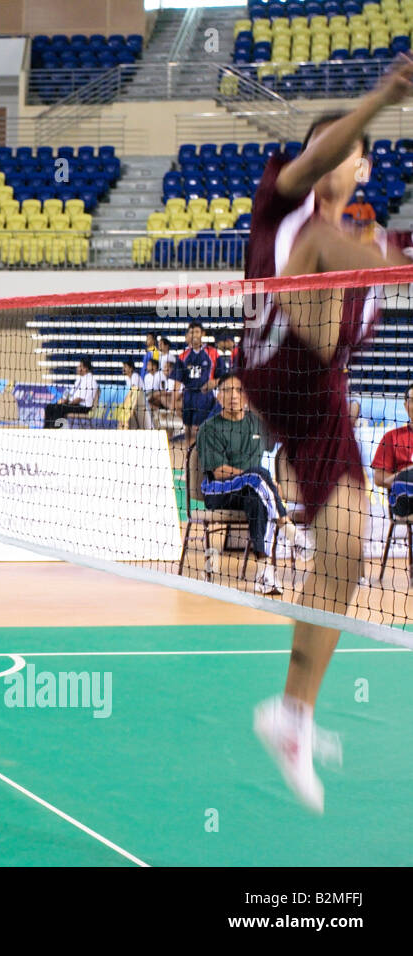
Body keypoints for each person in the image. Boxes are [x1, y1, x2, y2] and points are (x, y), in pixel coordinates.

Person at [242, 62, 413, 813]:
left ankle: (293, 715)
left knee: (347, 545)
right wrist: (381, 96)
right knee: (325, 240)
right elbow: (311, 171)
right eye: (318, 145)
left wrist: (385, 263)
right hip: (272, 367)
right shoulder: (285, 207)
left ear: (366, 165)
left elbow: (353, 330)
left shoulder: (367, 254)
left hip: (320, 406)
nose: (325, 154)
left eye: (344, 146)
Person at [196, 375, 294, 596]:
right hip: (219, 491)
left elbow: (277, 446)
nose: (234, 396)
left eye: (240, 391)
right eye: (228, 391)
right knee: (259, 476)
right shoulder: (209, 428)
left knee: (258, 501)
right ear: (219, 397)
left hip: (252, 490)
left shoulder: (255, 424)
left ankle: (264, 572)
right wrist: (261, 480)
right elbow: (219, 471)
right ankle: (289, 528)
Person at [172, 321, 220, 442]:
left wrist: (214, 382)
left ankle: (198, 455)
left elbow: (223, 377)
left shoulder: (213, 353)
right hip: (188, 395)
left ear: (202, 333)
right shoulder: (183, 356)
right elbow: (177, 380)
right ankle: (188, 455)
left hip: (204, 396)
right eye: (192, 332)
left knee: (198, 430)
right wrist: (173, 400)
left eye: (197, 331)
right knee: (187, 429)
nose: (194, 335)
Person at [370, 384, 413, 516]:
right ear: (406, 406)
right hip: (406, 501)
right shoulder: (392, 437)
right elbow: (379, 478)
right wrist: (404, 475)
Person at [43, 357, 96, 428]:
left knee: (59, 408)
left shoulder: (90, 381)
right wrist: (63, 399)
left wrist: (68, 402)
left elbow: (79, 399)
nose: (77, 368)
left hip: (83, 407)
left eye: (79, 366)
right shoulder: (80, 379)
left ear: (85, 368)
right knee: (50, 407)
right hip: (74, 404)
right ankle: (46, 429)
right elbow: (71, 392)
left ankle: (55, 429)